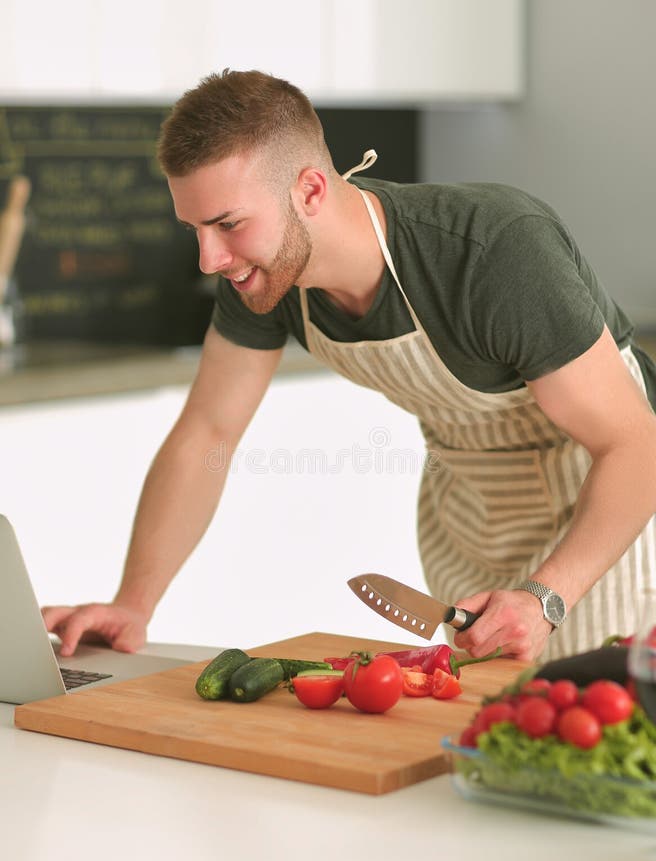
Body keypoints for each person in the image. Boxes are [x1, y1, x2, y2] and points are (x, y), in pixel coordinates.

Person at [42, 69, 656, 664]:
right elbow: (209, 432)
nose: (209, 258)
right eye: (195, 229)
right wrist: (133, 604)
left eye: (228, 224)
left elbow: (634, 444)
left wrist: (545, 597)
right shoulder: (262, 277)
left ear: (310, 190)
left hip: (608, 522)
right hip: (472, 521)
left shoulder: (491, 251)